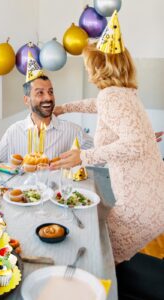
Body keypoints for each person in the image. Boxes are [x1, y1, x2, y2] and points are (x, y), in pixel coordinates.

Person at [51, 11, 164, 264]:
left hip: (139, 205)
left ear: (100, 66)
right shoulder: (122, 93)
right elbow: (97, 106)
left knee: (99, 256)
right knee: (101, 250)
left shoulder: (111, 96)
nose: (88, 70)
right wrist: (65, 108)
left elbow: (134, 143)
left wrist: (84, 156)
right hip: (154, 197)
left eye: (89, 65)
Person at [0, 54, 93, 168]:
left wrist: (81, 156)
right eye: (40, 93)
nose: (48, 97)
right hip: (24, 198)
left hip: (57, 197)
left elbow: (100, 153)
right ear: (26, 100)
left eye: (50, 92)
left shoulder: (72, 131)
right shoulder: (14, 132)